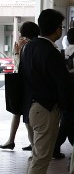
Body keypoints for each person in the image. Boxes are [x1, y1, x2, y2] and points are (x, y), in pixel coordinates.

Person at [19, 9, 72, 174]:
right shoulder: (50, 51)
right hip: (45, 108)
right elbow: (61, 82)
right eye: (61, 26)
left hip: (31, 108)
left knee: (36, 155)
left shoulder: (29, 47)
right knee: (42, 156)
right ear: (57, 29)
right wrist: (67, 107)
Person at [1, 21, 38, 151]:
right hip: (28, 86)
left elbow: (20, 66)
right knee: (20, 114)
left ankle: (32, 145)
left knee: (24, 116)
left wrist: (16, 53)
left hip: (25, 86)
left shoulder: (26, 45)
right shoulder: (35, 45)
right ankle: (15, 141)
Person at [53, 27, 74, 159]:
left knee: (68, 118)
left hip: (62, 89)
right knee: (68, 119)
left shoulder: (62, 52)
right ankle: (56, 148)